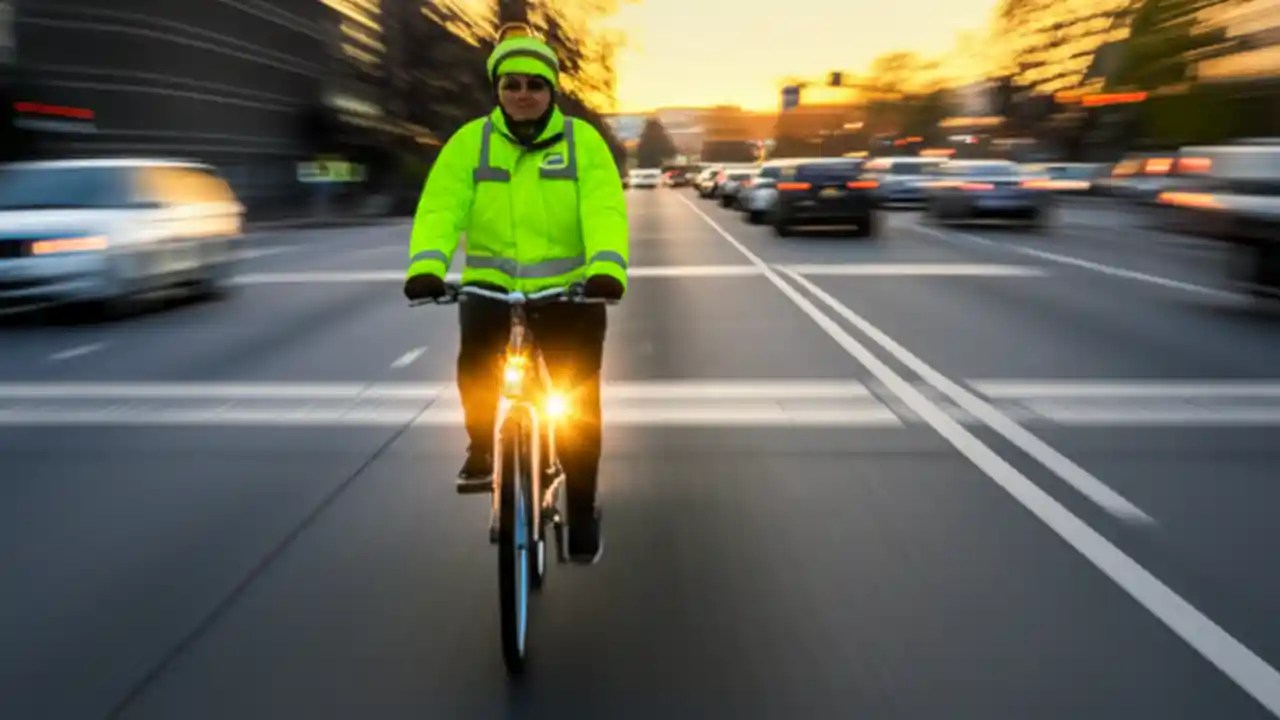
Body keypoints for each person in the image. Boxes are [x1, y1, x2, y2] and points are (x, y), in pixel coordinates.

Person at [402, 23, 628, 564]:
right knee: (477, 365)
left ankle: (580, 507)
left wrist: (606, 269)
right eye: (511, 84)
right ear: (498, 90)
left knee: (578, 407)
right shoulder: (469, 144)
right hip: (492, 288)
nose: (523, 93)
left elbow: (603, 208)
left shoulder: (582, 143)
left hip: (570, 292)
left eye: (534, 83)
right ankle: (482, 446)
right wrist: (427, 266)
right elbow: (441, 207)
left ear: (552, 89)